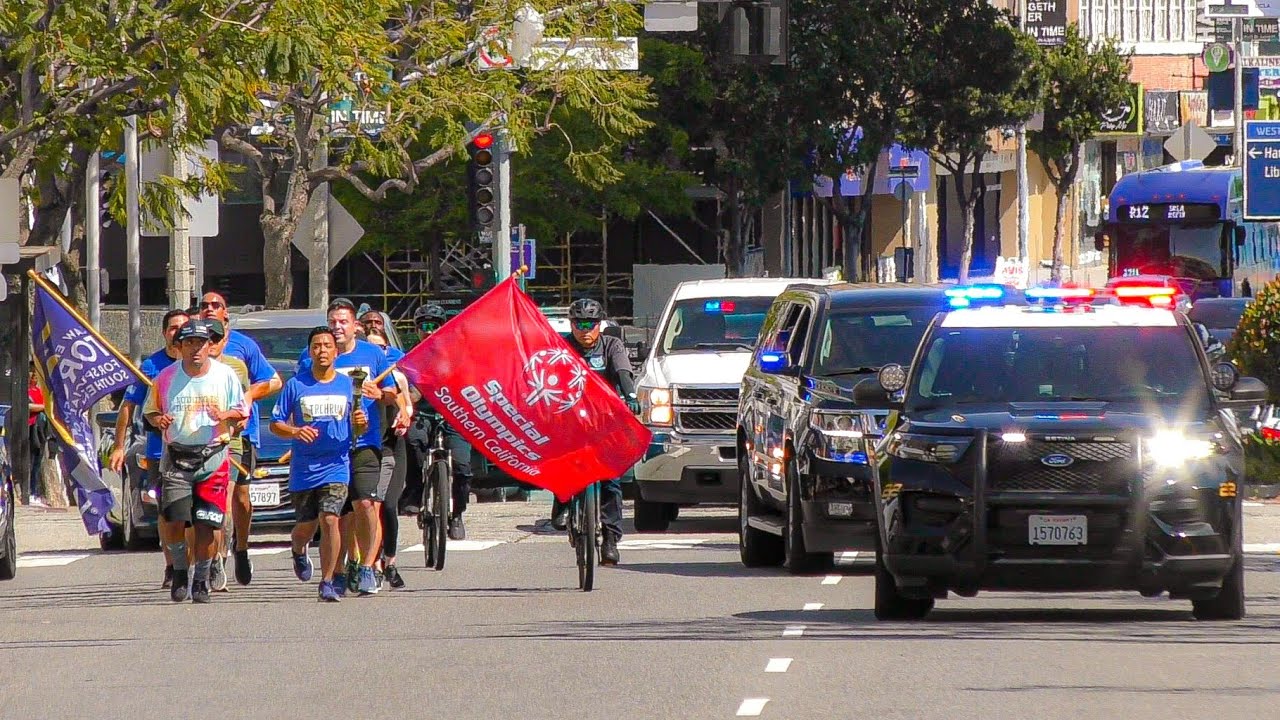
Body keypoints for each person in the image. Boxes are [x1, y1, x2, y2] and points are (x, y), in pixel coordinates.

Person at [295, 298, 397, 595]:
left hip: (365, 441)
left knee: (365, 504)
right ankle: (337, 570)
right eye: (332, 322)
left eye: (343, 322)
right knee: (335, 513)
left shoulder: (373, 354)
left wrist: (378, 392)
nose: (337, 328)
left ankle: (367, 566)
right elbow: (300, 393)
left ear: (356, 326)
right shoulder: (314, 355)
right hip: (328, 446)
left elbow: (391, 393)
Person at [142, 319, 248, 603]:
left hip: (213, 458)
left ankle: (201, 579)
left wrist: (225, 416)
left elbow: (242, 413)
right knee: (175, 521)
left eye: (201, 343)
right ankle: (179, 571)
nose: (195, 349)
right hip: (176, 459)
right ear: (179, 347)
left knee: (207, 525)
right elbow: (150, 412)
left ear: (209, 346)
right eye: (188, 343)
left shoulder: (225, 376)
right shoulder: (164, 377)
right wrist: (158, 420)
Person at [271, 327, 367, 602]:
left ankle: (328, 580)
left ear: (336, 352)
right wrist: (295, 432)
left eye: (327, 345)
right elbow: (277, 423)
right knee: (306, 527)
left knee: (331, 519)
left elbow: (358, 426)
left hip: (336, 465)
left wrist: (360, 424)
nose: (322, 350)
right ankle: (298, 551)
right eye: (316, 346)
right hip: (304, 468)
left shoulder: (348, 385)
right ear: (310, 351)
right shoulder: (296, 385)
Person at [198, 291, 281, 587]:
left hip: (243, 434)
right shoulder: (193, 343)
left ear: (226, 314)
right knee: (220, 497)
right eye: (204, 306)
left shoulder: (244, 347)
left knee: (241, 500)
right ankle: (216, 557)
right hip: (206, 437)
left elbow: (273, 381)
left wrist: (246, 396)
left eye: (215, 305)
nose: (209, 309)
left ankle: (241, 548)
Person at [550, 298, 638, 566]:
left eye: (591, 324)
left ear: (600, 325)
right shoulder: (561, 347)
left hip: (605, 417)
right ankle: (562, 503)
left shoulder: (612, 345)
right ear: (572, 325)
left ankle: (610, 539)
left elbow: (623, 372)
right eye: (579, 324)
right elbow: (548, 377)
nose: (585, 331)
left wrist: (631, 395)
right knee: (561, 457)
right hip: (571, 415)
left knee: (611, 479)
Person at [112, 308, 189, 587]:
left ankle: (203, 564)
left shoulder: (200, 364)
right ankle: (172, 565)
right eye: (172, 328)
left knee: (194, 513)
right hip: (160, 451)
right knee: (167, 511)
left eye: (184, 327)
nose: (178, 332)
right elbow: (128, 406)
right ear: (164, 333)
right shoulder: (151, 367)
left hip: (197, 448)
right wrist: (119, 446)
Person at [402, 303, 472, 540]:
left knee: (462, 467)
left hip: (454, 416)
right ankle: (416, 490)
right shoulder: (409, 358)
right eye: (424, 326)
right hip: (422, 415)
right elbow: (406, 393)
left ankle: (457, 514)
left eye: (435, 326)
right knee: (413, 442)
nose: (429, 331)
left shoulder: (458, 355)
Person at [365, 327, 412, 588]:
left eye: (380, 348)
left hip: (391, 449)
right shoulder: (354, 379)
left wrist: (402, 415)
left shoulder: (396, 379)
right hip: (366, 449)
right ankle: (367, 564)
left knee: (388, 505)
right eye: (369, 347)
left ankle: (390, 560)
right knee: (367, 506)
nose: (376, 353)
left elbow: (405, 406)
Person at [27, 366, 46, 507]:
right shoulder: (24, 391)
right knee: (30, 462)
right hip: (29, 428)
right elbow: (28, 406)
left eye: (35, 374)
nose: (33, 376)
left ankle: (34, 491)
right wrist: (45, 406)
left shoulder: (38, 391)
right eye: (31, 374)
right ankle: (29, 492)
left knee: (37, 462)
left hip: (40, 430)